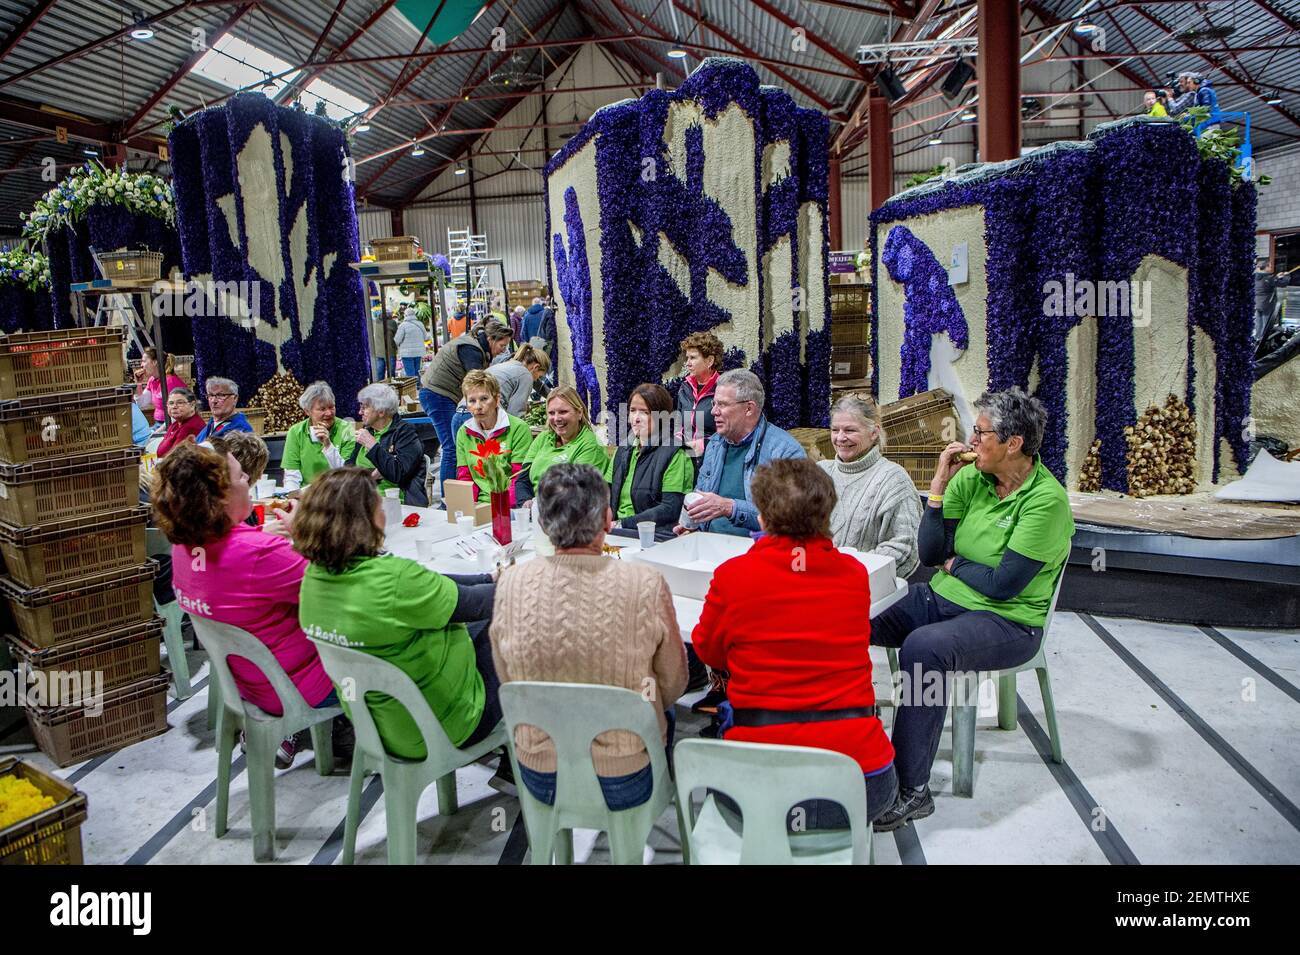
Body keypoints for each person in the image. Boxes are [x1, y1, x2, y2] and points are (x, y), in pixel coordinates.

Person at [869, 387, 1074, 831]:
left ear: (1013, 443)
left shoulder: (1045, 501)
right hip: (943, 596)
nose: (969, 441)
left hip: (1010, 621)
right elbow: (929, 553)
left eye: (980, 433)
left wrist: (955, 561)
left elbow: (1002, 586)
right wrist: (938, 486)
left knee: (925, 648)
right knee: (852, 610)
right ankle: (841, 736)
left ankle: (910, 790)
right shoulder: (971, 478)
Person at [692, 458, 898, 827]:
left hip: (760, 783)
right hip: (862, 780)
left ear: (762, 518)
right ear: (827, 513)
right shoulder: (854, 576)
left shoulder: (733, 577)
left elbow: (708, 651)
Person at [491, 463, 687, 810]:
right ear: (608, 520)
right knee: (663, 711)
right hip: (624, 774)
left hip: (540, 772)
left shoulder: (510, 582)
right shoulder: (645, 584)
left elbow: (507, 676)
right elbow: (674, 681)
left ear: (542, 524)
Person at [294, 468, 505, 765]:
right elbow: (485, 603)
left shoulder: (313, 579)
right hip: (444, 726)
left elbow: (431, 583)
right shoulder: (396, 581)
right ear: (365, 518)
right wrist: (524, 578)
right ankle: (534, 756)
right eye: (378, 502)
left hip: (375, 728)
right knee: (508, 623)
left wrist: (486, 576)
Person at [152, 442, 341, 769]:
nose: (249, 484)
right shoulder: (259, 553)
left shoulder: (185, 549)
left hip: (245, 686)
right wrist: (307, 535)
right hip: (298, 687)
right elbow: (340, 592)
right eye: (242, 478)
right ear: (222, 496)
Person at [679, 369, 805, 537]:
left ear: (749, 409)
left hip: (757, 552)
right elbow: (701, 495)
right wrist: (692, 526)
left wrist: (730, 508)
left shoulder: (785, 451)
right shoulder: (716, 444)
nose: (713, 412)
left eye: (722, 404)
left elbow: (790, 515)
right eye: (714, 404)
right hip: (708, 544)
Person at [817, 395, 921, 577]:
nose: (840, 438)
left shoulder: (893, 479)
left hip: (861, 588)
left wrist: (849, 571)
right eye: (835, 430)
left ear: (874, 432)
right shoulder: (818, 472)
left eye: (850, 430)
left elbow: (905, 547)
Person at [420, 319, 514, 501]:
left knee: (452, 447)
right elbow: (478, 382)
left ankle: (456, 498)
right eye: (502, 345)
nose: (503, 349)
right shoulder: (471, 350)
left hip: (442, 394)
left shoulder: (476, 346)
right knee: (451, 447)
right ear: (491, 339)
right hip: (437, 394)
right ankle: (449, 501)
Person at [609, 383, 694, 541]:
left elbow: (670, 509)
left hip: (654, 535)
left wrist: (622, 524)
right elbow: (606, 492)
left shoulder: (676, 454)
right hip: (615, 531)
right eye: (633, 410)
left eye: (645, 412)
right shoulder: (623, 449)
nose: (636, 418)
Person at [514, 386, 611, 504]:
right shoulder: (543, 438)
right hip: (535, 511)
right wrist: (526, 502)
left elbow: (578, 494)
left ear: (579, 413)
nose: (556, 418)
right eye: (551, 413)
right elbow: (522, 480)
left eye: (563, 412)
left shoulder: (590, 446)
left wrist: (540, 507)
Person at [455, 370, 533, 504]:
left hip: (509, 505)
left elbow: (519, 478)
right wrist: (469, 511)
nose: (478, 406)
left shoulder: (518, 428)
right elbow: (465, 477)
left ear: (497, 400)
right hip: (479, 505)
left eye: (484, 399)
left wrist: (502, 511)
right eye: (472, 401)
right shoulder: (464, 432)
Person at [348, 383, 428, 506]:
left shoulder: (405, 432)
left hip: (397, 504)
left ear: (381, 412)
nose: (360, 412)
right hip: (362, 500)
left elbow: (397, 474)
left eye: (365, 408)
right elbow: (348, 468)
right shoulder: (368, 431)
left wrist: (372, 445)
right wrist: (371, 476)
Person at [281, 381, 356, 491]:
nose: (329, 413)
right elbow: (291, 475)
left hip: (339, 493)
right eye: (322, 409)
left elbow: (346, 473)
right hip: (306, 495)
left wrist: (328, 445)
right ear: (307, 411)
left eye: (331, 407)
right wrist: (292, 498)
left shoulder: (346, 430)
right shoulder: (296, 432)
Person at [452, 343, 550, 424]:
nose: (537, 379)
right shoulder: (525, 375)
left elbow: (539, 386)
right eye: (539, 376)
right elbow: (515, 414)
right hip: (477, 418)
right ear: (536, 367)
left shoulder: (508, 365)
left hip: (460, 415)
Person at [673, 331, 723, 471]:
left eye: (693, 358)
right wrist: (678, 446)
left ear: (709, 361)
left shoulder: (724, 389)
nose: (687, 363)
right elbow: (679, 424)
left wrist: (704, 445)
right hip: (686, 460)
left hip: (713, 460)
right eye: (687, 358)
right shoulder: (684, 388)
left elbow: (731, 432)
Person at [134, 347, 187, 424]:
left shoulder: (170, 382)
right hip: (159, 423)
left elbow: (177, 413)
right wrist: (138, 383)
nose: (141, 365)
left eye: (144, 361)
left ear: (155, 362)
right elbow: (141, 403)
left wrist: (158, 432)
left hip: (173, 423)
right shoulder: (152, 380)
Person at [195, 377, 253, 443]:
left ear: (235, 398)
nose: (214, 401)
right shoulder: (208, 427)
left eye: (220, 395)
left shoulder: (243, 431)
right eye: (211, 395)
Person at [156, 387, 206, 456]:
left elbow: (175, 458)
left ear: (192, 405)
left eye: (180, 403)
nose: (174, 406)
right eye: (171, 403)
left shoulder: (191, 426)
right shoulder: (176, 424)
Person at [393, 305, 427, 378]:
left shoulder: (403, 325)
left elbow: (397, 340)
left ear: (405, 315)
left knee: (410, 373)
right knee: (417, 370)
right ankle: (417, 386)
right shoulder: (420, 324)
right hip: (418, 352)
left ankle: (413, 388)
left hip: (407, 354)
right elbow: (426, 337)